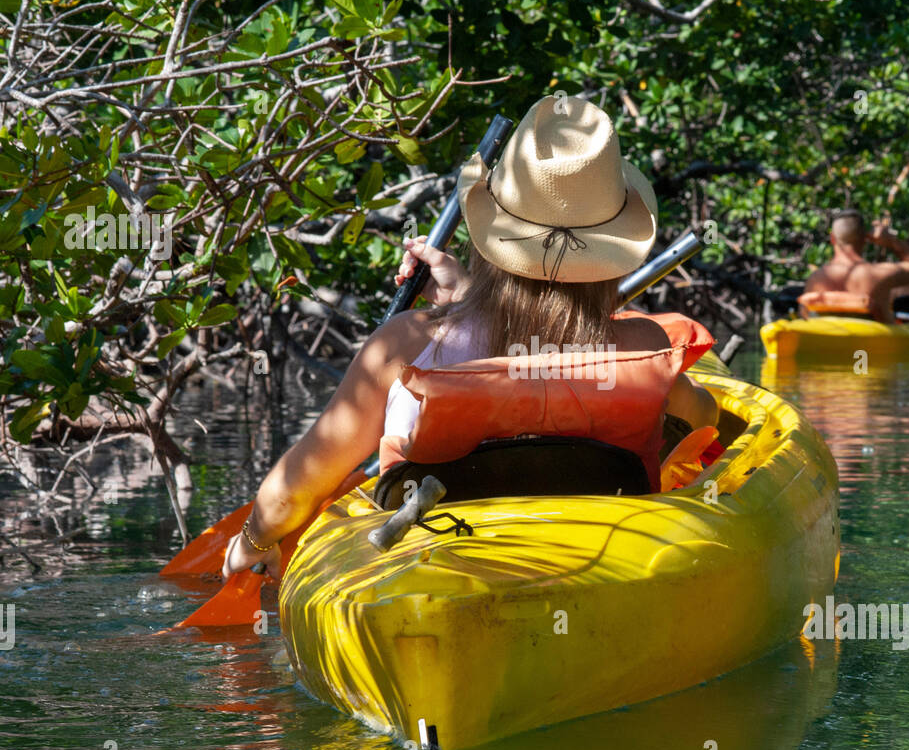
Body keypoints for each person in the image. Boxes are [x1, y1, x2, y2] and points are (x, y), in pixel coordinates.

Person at [222, 96, 719, 580]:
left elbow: (295, 493)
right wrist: (468, 304)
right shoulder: (647, 346)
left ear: (488, 236)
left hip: (431, 575)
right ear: (611, 259)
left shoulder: (404, 344)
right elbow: (706, 420)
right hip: (601, 566)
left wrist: (252, 545)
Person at [804, 210, 909, 322]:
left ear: (832, 239)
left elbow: (804, 318)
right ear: (866, 238)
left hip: (827, 345)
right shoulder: (880, 273)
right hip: (873, 344)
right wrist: (891, 240)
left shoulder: (815, 279)